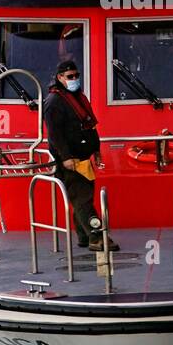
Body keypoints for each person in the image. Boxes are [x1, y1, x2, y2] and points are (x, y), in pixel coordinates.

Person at [43, 59, 119, 251]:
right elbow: (55, 134)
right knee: (82, 198)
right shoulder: (54, 102)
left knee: (81, 198)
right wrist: (66, 157)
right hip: (71, 159)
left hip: (84, 156)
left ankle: (84, 236)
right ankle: (97, 237)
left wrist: (96, 150)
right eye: (70, 77)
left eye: (76, 76)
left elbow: (89, 126)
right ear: (60, 78)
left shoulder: (77, 97)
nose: (74, 79)